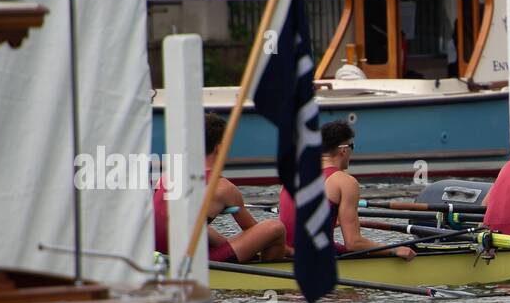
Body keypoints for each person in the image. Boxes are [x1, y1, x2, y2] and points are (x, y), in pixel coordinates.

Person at [153, 112, 288, 264]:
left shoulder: (167, 174)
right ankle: (269, 276)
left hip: (159, 257)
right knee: (275, 228)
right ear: (219, 147)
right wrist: (292, 251)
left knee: (201, 228)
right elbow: (254, 231)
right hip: (188, 262)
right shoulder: (223, 188)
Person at [280, 121, 415, 260]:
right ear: (343, 149)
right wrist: (394, 250)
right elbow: (353, 243)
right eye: (352, 146)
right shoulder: (344, 182)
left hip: (286, 254)